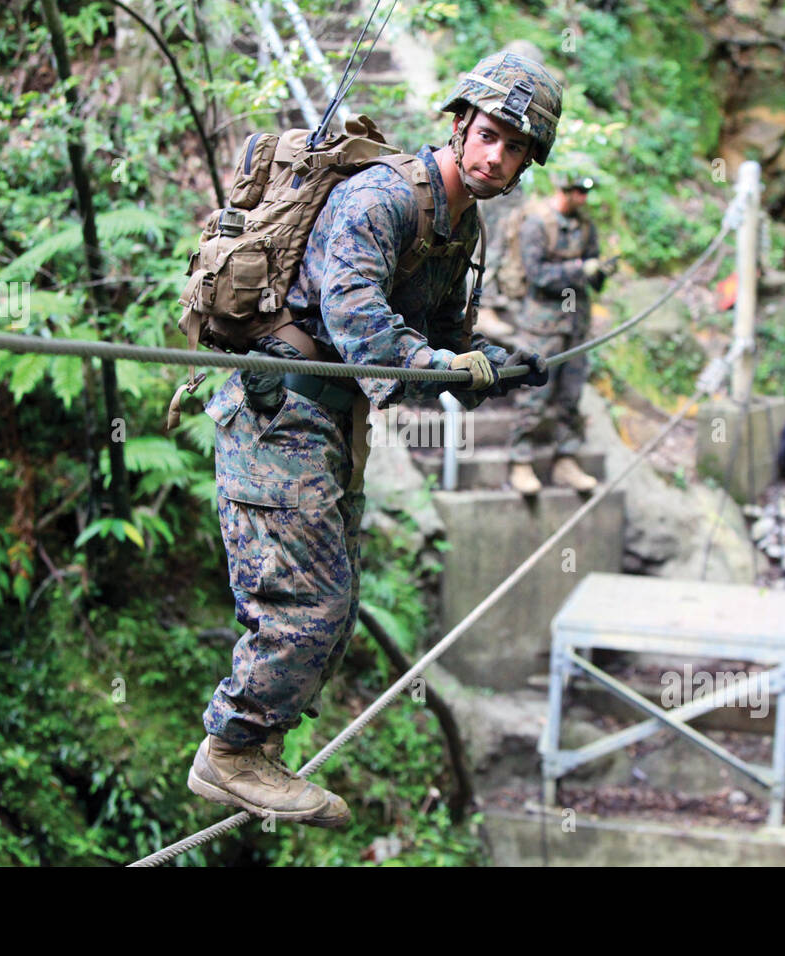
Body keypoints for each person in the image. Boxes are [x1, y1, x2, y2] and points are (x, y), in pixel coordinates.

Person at [187, 51, 563, 826]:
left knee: (339, 599)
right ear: (459, 124)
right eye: (491, 133)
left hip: (328, 422)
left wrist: (492, 361)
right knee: (307, 601)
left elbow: (438, 333)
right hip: (277, 412)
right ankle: (230, 754)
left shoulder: (461, 226)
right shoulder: (381, 198)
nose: (498, 155)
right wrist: (444, 366)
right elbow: (357, 314)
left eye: (517, 147)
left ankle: (256, 749)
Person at [504, 175, 611, 495]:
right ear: (563, 190)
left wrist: (601, 271)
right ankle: (520, 461)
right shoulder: (538, 224)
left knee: (571, 396)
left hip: (576, 324)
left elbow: (594, 269)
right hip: (542, 325)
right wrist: (579, 270)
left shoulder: (586, 227)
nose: (582, 198)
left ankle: (566, 459)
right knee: (532, 396)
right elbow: (537, 275)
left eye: (585, 193)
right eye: (578, 191)